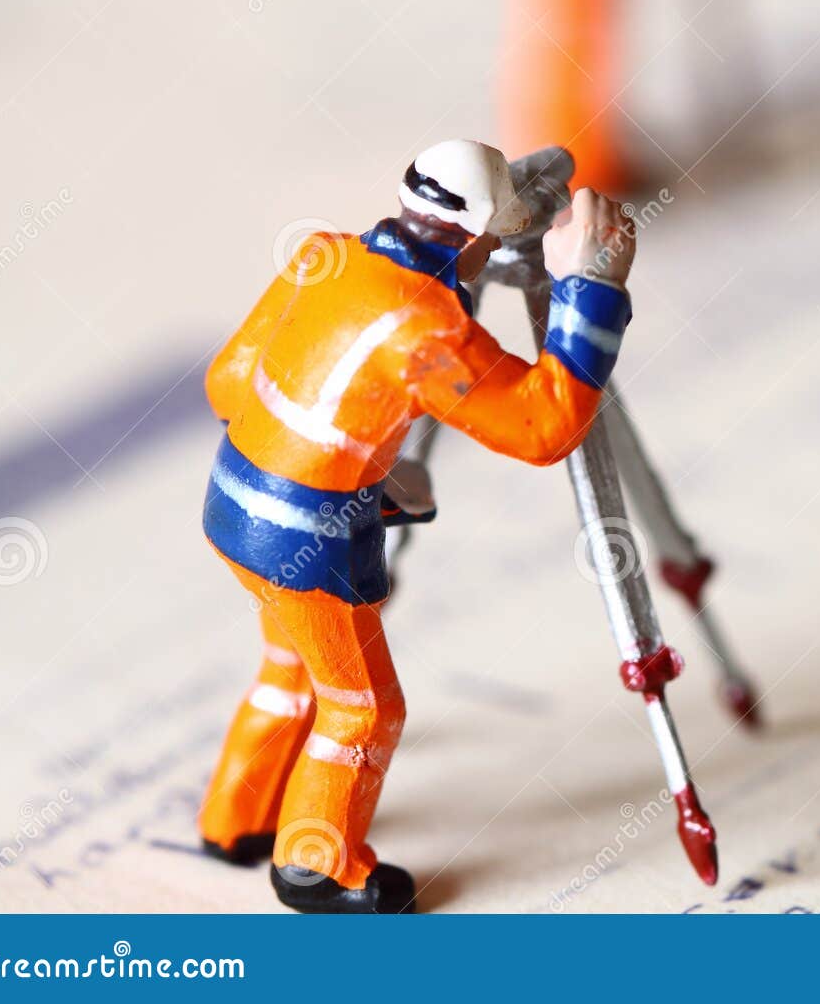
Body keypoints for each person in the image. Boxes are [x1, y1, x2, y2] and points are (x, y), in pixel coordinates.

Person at [195, 139, 635, 913]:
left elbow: (227, 383)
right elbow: (541, 428)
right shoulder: (428, 332)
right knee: (363, 708)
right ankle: (314, 866)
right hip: (304, 544)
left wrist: (351, 462)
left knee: (289, 668)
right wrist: (589, 285)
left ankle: (236, 815)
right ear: (480, 237)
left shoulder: (325, 255)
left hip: (233, 506)